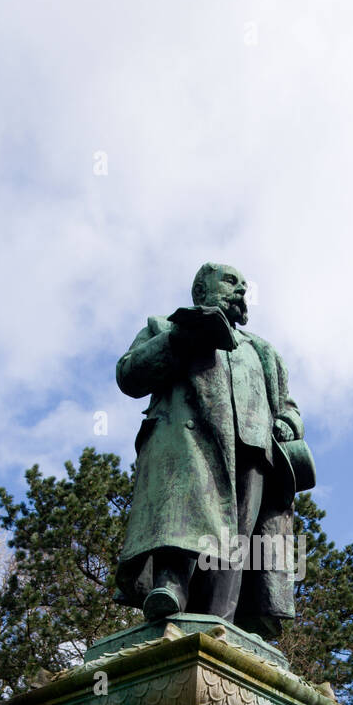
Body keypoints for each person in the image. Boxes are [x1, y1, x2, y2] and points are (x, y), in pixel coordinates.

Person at [115, 263, 314, 639]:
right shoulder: (164, 327)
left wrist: (287, 424)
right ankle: (170, 591)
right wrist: (181, 338)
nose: (240, 290)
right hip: (189, 440)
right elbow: (129, 375)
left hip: (253, 451)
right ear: (202, 291)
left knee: (238, 538)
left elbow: (287, 405)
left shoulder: (263, 350)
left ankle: (221, 618)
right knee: (182, 515)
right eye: (229, 281)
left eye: (243, 285)